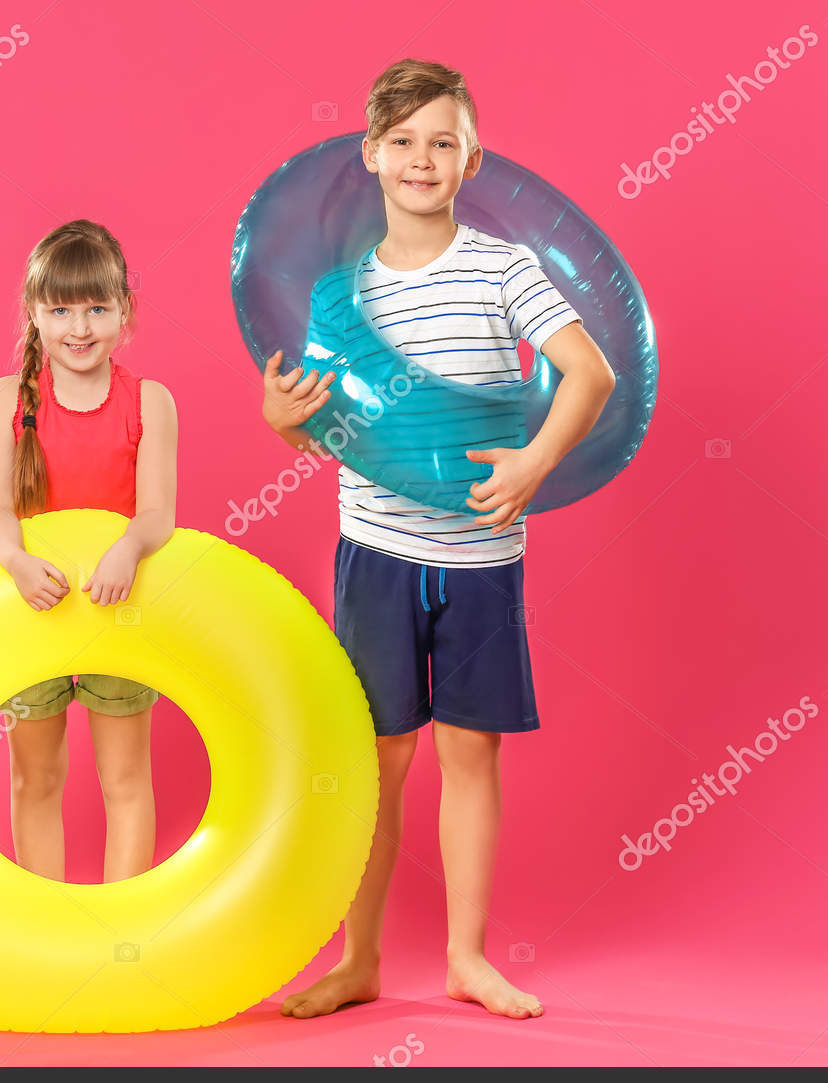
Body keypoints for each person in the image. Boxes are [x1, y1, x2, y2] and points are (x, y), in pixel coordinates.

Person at [261, 59, 616, 1019]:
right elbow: (330, 422)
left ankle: (466, 957)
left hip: (480, 559)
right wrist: (280, 418)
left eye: (443, 141)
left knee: (470, 753)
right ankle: (359, 958)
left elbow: (589, 377)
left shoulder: (505, 268)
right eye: (405, 141)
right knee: (377, 757)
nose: (423, 158)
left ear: (472, 157)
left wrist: (537, 461)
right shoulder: (339, 298)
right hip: (374, 552)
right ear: (372, 155)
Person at [0, 219, 178, 884]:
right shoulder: (6, 401)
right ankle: (50, 924)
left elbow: (156, 514)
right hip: (36, 611)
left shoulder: (149, 401)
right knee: (36, 777)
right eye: (61, 310)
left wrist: (128, 548)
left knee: (125, 778)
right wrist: (16, 562)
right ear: (35, 314)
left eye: (97, 307)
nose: (81, 328)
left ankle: (121, 936)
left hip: (120, 609)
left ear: (125, 310)